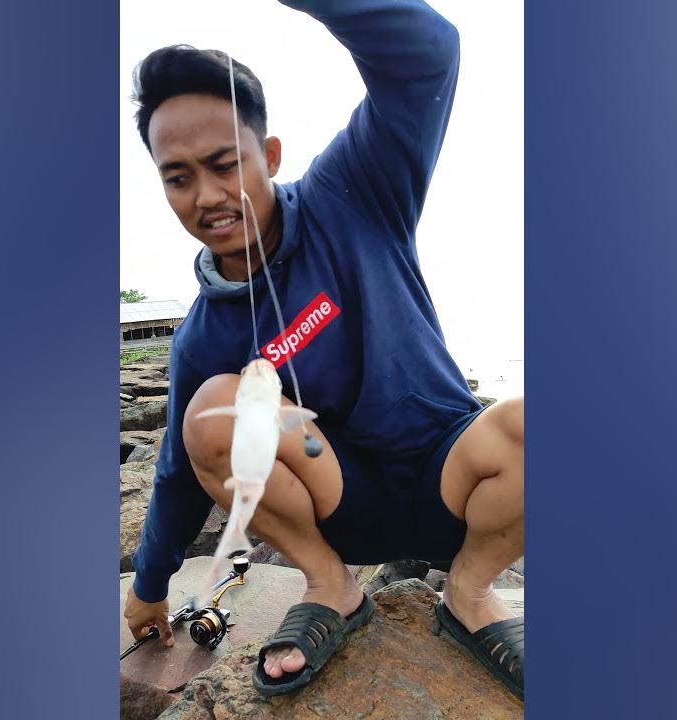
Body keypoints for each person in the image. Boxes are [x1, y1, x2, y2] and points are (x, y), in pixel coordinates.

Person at [123, 0, 524, 700]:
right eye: (178, 176)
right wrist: (150, 585)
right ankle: (330, 587)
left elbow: (429, 53)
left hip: (450, 475)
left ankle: (469, 590)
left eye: (225, 164)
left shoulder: (358, 189)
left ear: (269, 156)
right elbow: (179, 476)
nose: (208, 196)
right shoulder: (202, 336)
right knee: (215, 411)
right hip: (342, 505)